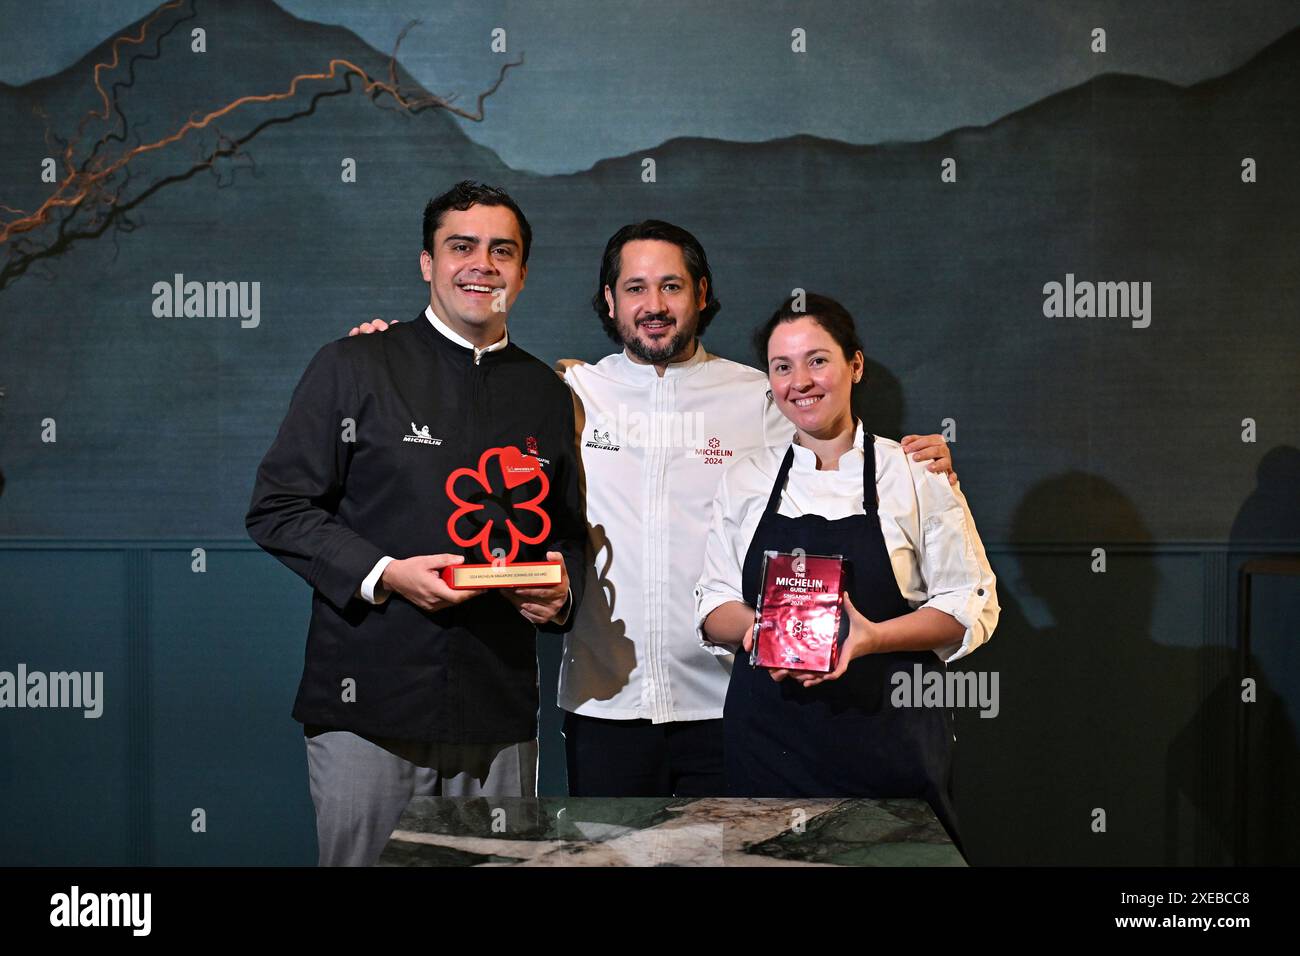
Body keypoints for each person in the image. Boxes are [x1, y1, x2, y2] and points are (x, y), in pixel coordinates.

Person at [350, 223, 956, 797]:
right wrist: (395, 353)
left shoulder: (761, 396)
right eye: (636, 288)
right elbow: (464, 398)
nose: (654, 305)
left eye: (672, 286)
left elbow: (837, 453)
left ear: (701, 294)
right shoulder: (568, 391)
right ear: (610, 301)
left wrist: (918, 463)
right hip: (603, 700)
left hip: (730, 701)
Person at [246, 181, 586, 866]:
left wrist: (562, 593)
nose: (482, 265)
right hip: (368, 705)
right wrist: (386, 574)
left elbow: (567, 531)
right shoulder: (355, 364)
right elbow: (278, 508)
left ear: (523, 273)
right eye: (461, 247)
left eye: (502, 251)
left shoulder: (546, 393)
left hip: (498, 711)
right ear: (427, 263)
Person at [696, 293, 998, 849]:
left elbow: (968, 607)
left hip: (889, 744)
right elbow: (712, 601)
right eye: (782, 367)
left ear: (854, 365)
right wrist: (767, 632)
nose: (800, 382)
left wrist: (872, 637)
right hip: (768, 747)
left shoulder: (916, 472)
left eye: (817, 360)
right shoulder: (745, 479)